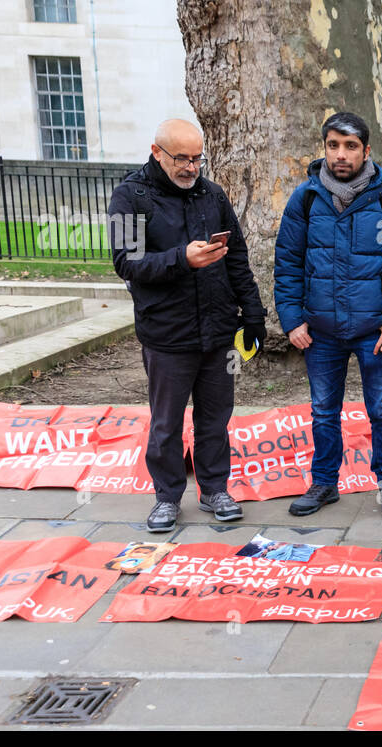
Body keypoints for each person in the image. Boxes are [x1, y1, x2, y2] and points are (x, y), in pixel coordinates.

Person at [107, 118, 266, 534]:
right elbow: (126, 261)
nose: (191, 167)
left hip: (217, 331)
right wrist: (182, 258)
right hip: (166, 335)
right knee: (167, 423)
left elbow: (237, 258)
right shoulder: (129, 196)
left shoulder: (213, 195)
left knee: (215, 419)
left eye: (197, 158)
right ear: (157, 152)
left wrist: (253, 315)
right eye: (182, 158)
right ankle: (166, 497)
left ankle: (215, 489)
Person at [274, 112, 382, 520]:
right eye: (333, 145)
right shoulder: (305, 199)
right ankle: (324, 483)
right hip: (320, 330)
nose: (341, 154)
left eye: (350, 146)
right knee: (324, 411)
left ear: (366, 150)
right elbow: (287, 264)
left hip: (375, 330)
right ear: (324, 147)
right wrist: (292, 319)